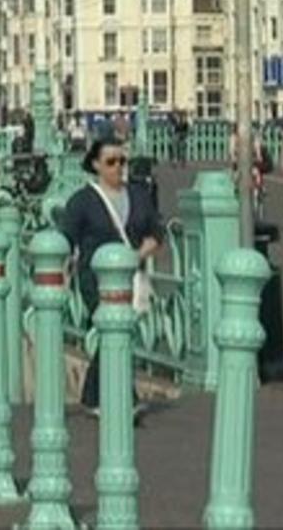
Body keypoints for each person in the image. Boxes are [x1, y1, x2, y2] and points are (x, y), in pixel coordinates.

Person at [62, 137, 164, 419]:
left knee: (121, 332)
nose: (118, 167)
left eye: (122, 161)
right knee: (112, 330)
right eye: (111, 162)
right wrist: (61, 271)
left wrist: (137, 255)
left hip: (131, 276)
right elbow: (66, 238)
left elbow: (156, 232)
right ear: (96, 164)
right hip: (95, 278)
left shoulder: (138, 195)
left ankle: (93, 396)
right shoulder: (83, 201)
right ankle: (124, 398)